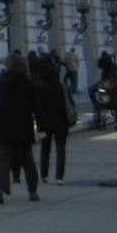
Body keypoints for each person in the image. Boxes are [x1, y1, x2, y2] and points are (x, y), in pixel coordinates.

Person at [0, 51, 42, 204]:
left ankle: (0, 190)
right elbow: (36, 104)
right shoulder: (28, 82)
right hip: (23, 125)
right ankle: (32, 191)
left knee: (3, 160)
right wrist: (40, 124)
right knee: (27, 160)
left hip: (2, 124)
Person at [33, 57, 73, 185]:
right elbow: (70, 103)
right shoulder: (61, 87)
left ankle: (44, 175)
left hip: (43, 124)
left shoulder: (38, 88)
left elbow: (36, 108)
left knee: (45, 149)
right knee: (61, 149)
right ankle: (59, 177)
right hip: (62, 123)